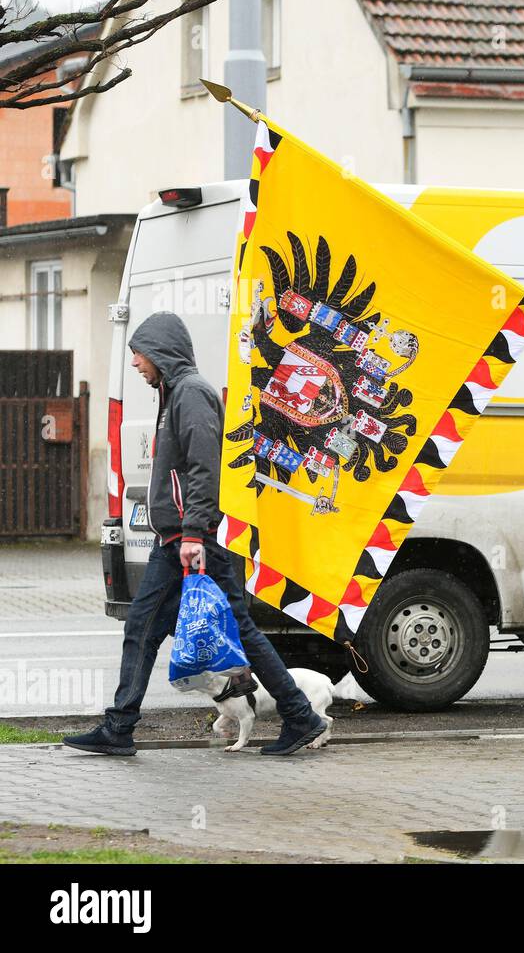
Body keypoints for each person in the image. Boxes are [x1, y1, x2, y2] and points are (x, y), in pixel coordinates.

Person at [63, 311, 328, 757]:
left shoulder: (192, 395)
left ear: (162, 352)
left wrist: (192, 533)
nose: (135, 364)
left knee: (225, 630)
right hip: (182, 539)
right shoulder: (174, 396)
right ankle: (120, 726)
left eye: (139, 354)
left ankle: (299, 715)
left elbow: (204, 469)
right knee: (146, 630)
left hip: (194, 540)